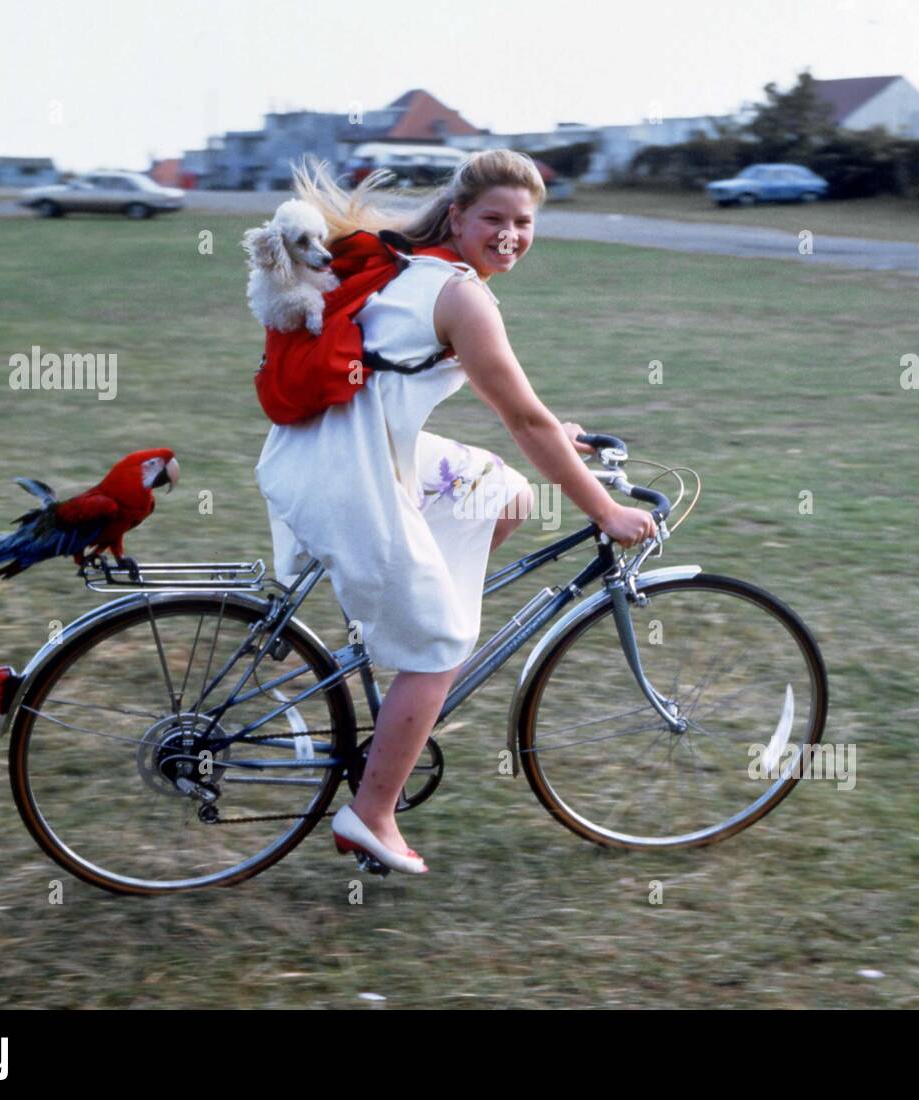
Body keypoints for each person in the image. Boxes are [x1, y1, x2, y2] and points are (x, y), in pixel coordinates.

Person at [254, 149, 657, 874]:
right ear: (459, 215)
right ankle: (371, 814)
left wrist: (551, 433)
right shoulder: (461, 295)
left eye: (523, 223)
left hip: (321, 448)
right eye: (494, 219)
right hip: (349, 470)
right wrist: (604, 511)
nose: (509, 234)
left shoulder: (413, 268)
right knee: (441, 646)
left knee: (506, 492)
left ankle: (403, 621)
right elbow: (524, 422)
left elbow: (514, 415)